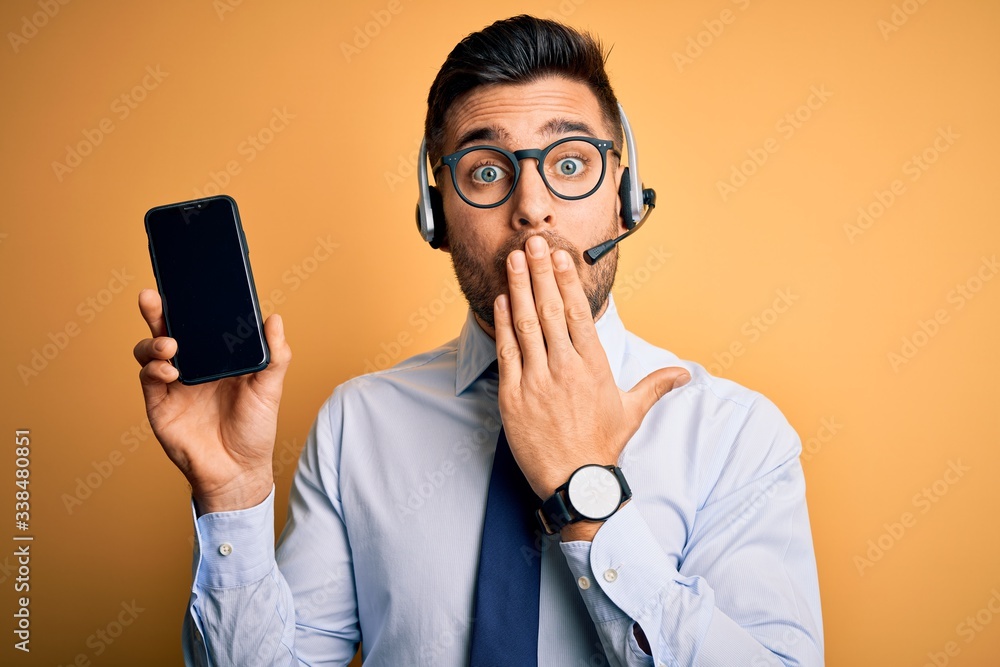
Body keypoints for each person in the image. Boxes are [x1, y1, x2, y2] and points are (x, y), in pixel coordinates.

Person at [133, 15, 823, 667]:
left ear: (625, 193)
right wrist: (231, 492)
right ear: (436, 212)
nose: (532, 206)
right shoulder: (357, 424)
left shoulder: (738, 434)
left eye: (572, 162)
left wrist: (582, 489)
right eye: (487, 171)